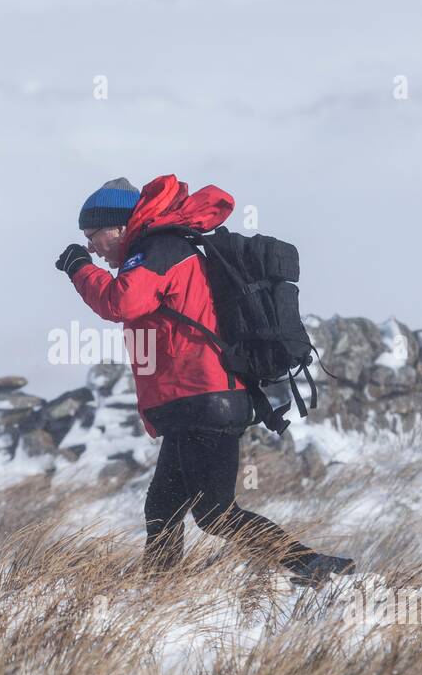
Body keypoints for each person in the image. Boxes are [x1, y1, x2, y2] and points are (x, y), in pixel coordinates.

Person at [56, 175, 354, 586]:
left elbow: (122, 302)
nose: (91, 246)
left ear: (121, 225)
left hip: (204, 400)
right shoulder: (155, 249)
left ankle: (314, 567)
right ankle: (159, 592)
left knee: (215, 512)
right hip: (193, 404)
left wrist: (79, 269)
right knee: (162, 509)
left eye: (93, 235)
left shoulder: (160, 249)